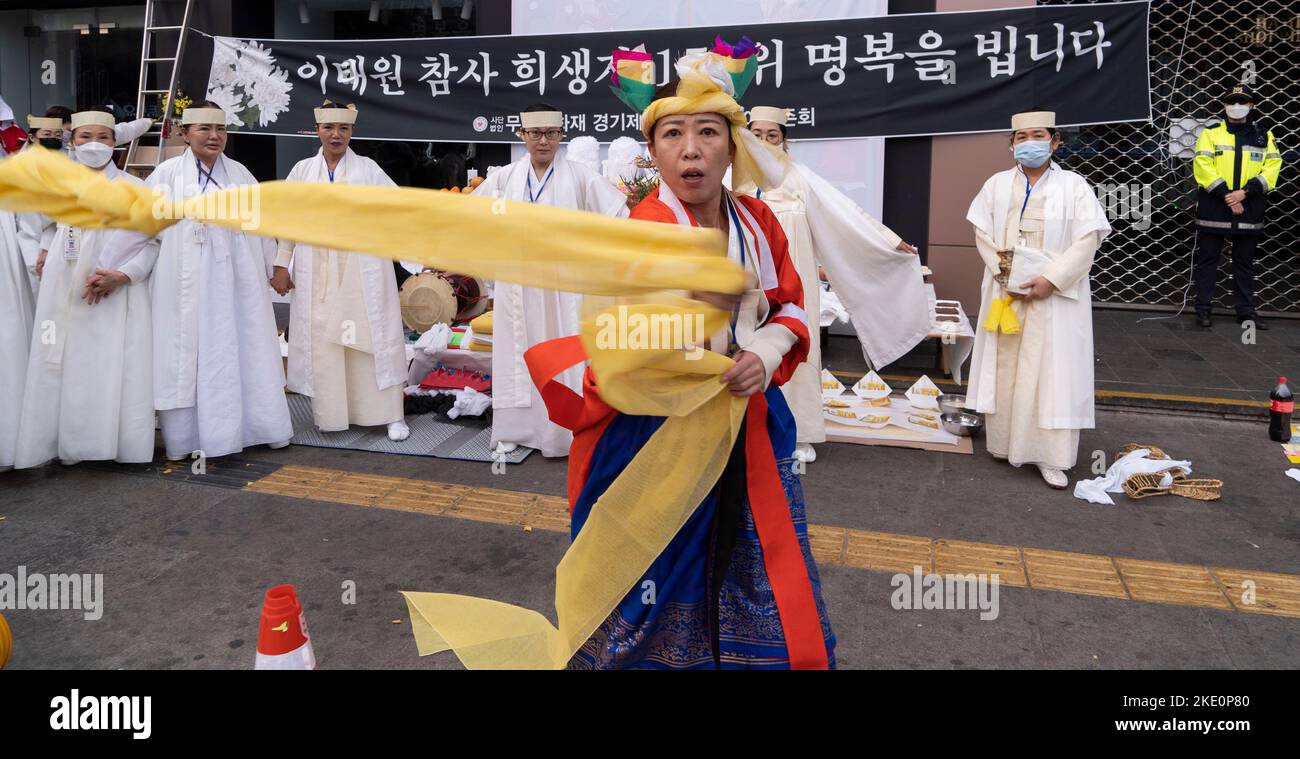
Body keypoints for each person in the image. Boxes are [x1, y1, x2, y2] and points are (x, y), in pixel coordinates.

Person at [554, 48, 836, 668]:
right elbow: (609, 341)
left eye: (708, 133)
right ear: (652, 154)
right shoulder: (639, 233)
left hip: (749, 419)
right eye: (672, 135)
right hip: (654, 431)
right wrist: (686, 309)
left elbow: (791, 306)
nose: (690, 149)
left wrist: (763, 351)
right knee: (654, 561)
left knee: (754, 552)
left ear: (731, 148)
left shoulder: (758, 220)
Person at [747, 106, 929, 462]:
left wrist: (889, 240)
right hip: (746, 280)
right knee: (746, 349)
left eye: (773, 135)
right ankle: (751, 431)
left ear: (785, 139)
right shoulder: (732, 178)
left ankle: (800, 431)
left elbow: (846, 214)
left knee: (796, 347)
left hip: (792, 280)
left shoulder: (799, 177)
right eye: (757, 135)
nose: (765, 141)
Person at [470, 103, 628, 457]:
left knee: (564, 354)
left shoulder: (580, 176)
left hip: (564, 284)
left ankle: (568, 431)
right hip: (518, 283)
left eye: (551, 134)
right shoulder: (505, 178)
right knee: (518, 353)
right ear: (522, 135)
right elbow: (473, 215)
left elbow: (619, 216)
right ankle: (516, 428)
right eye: (536, 133)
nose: (543, 141)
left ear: (561, 136)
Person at [966, 110, 1111, 489]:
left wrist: (1052, 279)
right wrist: (1003, 273)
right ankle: (1003, 444)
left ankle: (1051, 456)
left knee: (1051, 371)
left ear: (1056, 141)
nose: (1029, 142)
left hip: (1052, 295)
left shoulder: (1075, 186)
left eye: (1038, 135)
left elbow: (1088, 239)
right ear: (1012, 143)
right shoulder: (995, 184)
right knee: (1007, 364)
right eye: (1021, 136)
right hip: (1006, 290)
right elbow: (982, 232)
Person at [143, 103, 292, 461]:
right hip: (183, 282)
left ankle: (255, 427)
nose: (214, 136)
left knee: (245, 347)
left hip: (237, 283)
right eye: (204, 129)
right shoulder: (165, 177)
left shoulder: (240, 175)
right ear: (185, 133)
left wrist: (276, 268)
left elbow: (263, 226)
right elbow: (141, 230)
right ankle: (186, 438)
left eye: (220, 130)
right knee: (188, 352)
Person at [11, 109, 159, 468]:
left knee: (116, 361)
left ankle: (116, 442)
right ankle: (66, 442)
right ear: (72, 142)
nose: (95, 145)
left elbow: (153, 243)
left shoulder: (137, 188)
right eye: (85, 138)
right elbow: (35, 229)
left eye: (103, 138)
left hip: (119, 289)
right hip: (64, 285)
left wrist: (123, 275)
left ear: (115, 143)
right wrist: (43, 256)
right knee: (61, 357)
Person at [271, 101, 410, 441]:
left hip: (363, 267)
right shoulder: (302, 171)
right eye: (329, 128)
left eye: (343, 128)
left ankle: (390, 414)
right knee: (325, 339)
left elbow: (400, 211)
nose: (336, 135)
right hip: (316, 268)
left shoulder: (368, 169)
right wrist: (280, 264)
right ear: (317, 130)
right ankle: (334, 414)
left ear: (352, 132)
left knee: (372, 337)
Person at [1191, 83, 1284, 329]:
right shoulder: (1210, 133)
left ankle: (1245, 311)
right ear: (1223, 105)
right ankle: (1203, 310)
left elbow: (1273, 167)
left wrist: (1244, 193)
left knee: (1244, 262)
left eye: (1242, 102)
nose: (1236, 107)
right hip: (1215, 206)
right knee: (1208, 260)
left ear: (1251, 105)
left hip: (1249, 206)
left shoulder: (1264, 135)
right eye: (1231, 102)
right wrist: (1227, 196)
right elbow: (1203, 166)